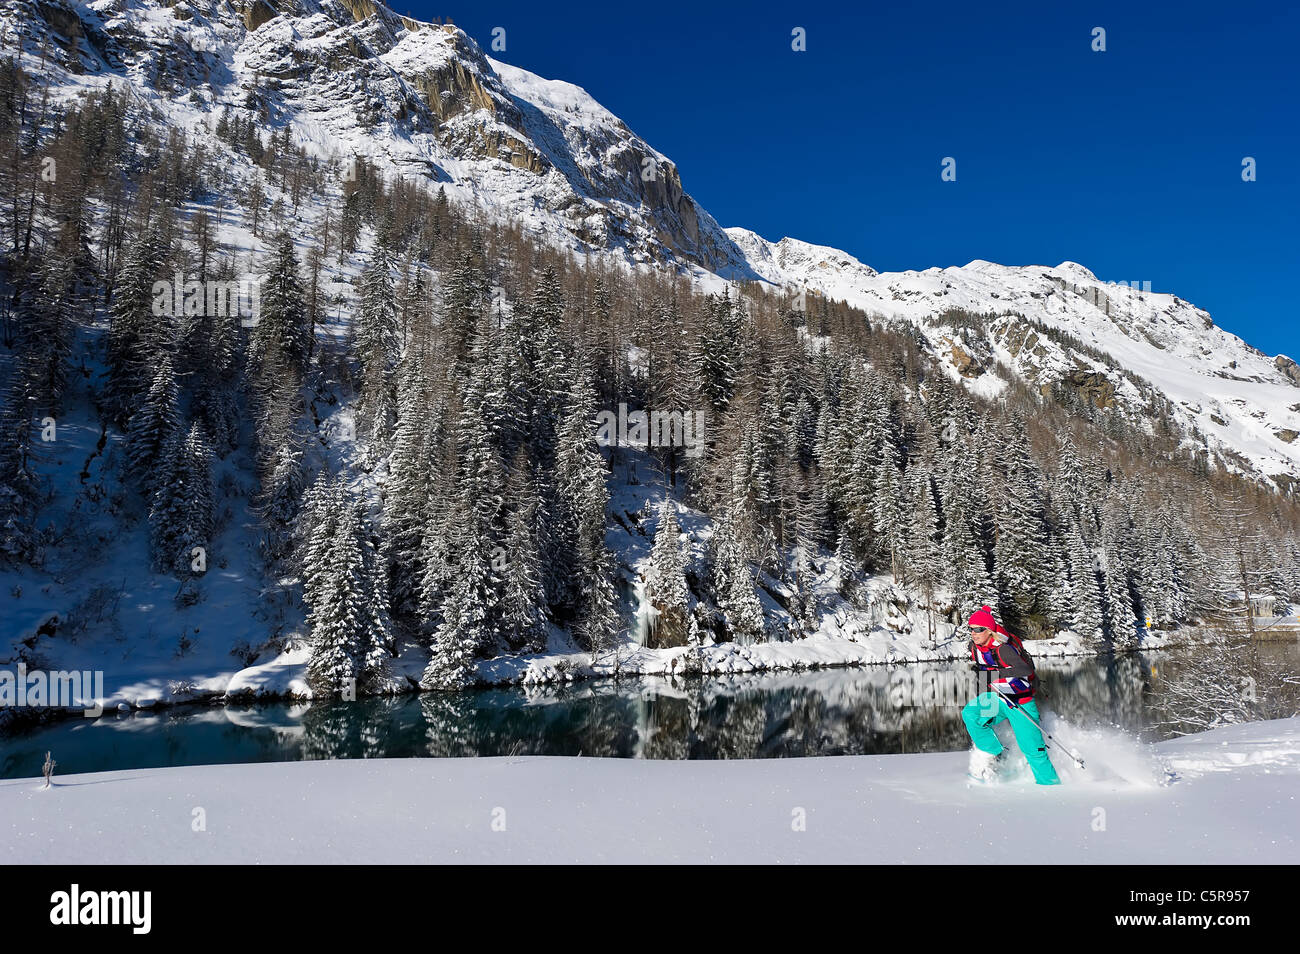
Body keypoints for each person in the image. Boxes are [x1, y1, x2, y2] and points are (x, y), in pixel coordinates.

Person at [961, 605, 1060, 785]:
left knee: (1032, 749)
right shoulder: (974, 647)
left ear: (989, 630)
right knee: (971, 714)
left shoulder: (1003, 649)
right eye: (971, 629)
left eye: (979, 629)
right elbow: (985, 671)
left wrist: (996, 674)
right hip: (998, 698)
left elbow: (1024, 669)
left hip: (1019, 703)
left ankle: (1051, 786)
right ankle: (995, 752)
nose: (974, 633)